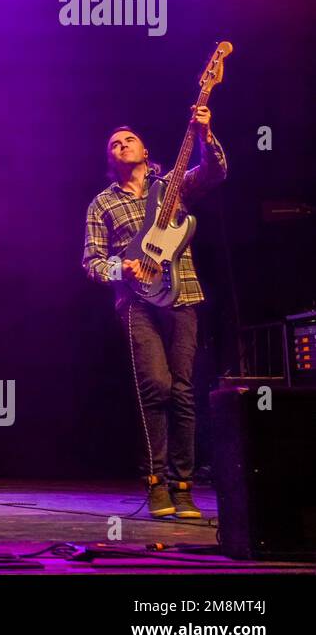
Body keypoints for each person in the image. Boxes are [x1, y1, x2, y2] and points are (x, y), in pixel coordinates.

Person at [82, 108, 226, 518]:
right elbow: (91, 261)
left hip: (183, 293)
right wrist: (119, 268)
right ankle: (156, 482)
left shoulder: (171, 185)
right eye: (114, 144)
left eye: (129, 139)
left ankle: (184, 486)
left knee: (183, 390)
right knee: (156, 387)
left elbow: (215, 172)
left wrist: (205, 133)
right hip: (137, 301)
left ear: (145, 151)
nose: (121, 145)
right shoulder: (103, 203)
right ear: (110, 159)